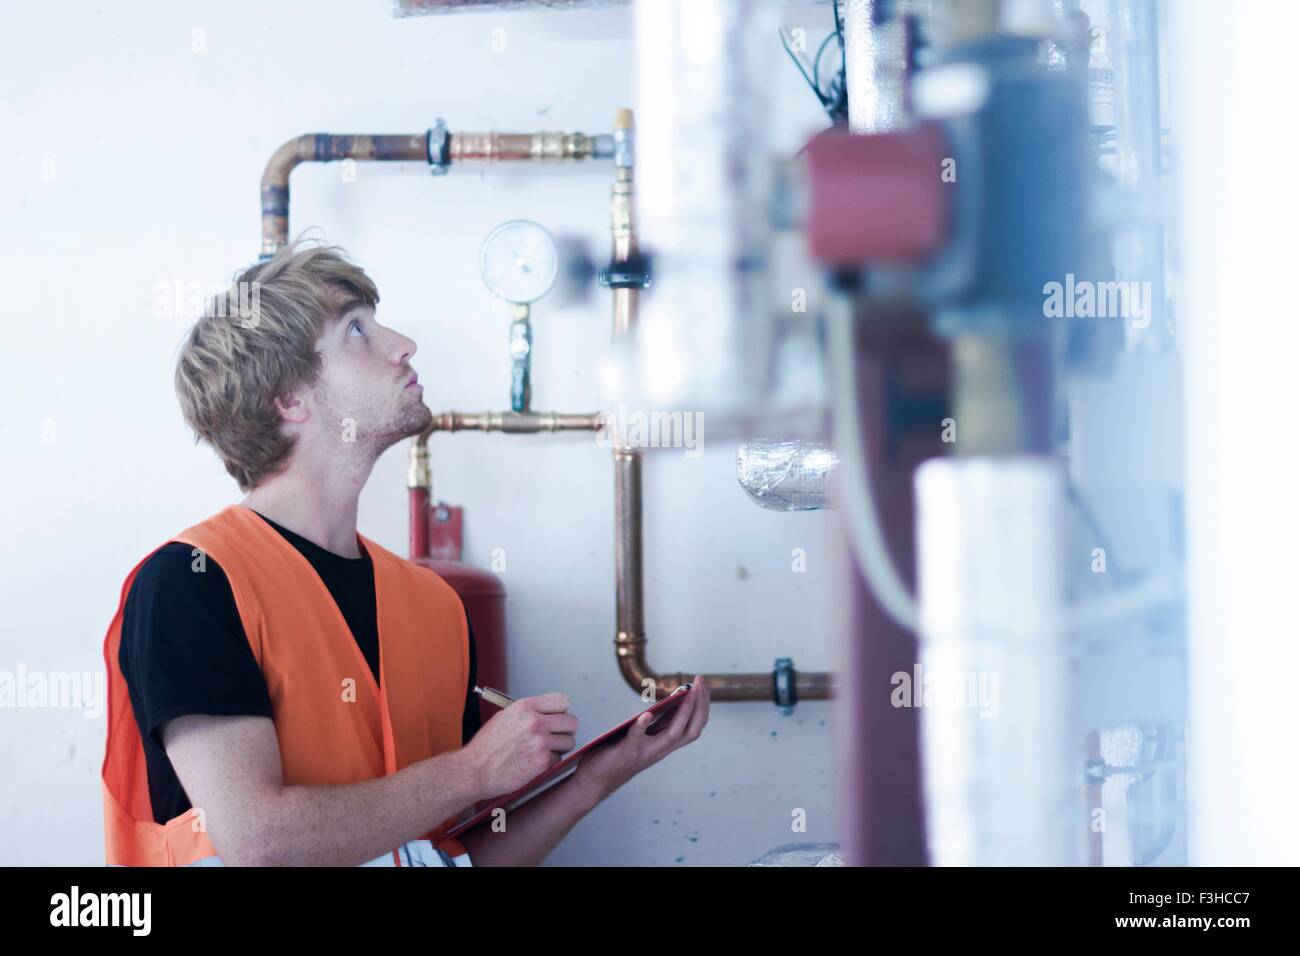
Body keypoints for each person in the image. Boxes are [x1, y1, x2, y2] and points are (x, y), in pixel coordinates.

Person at [100, 240, 711, 866]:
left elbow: (446, 857)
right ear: (288, 398)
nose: (403, 344)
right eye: (357, 330)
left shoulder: (435, 608)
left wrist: (596, 778)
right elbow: (259, 842)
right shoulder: (192, 583)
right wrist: (474, 770)